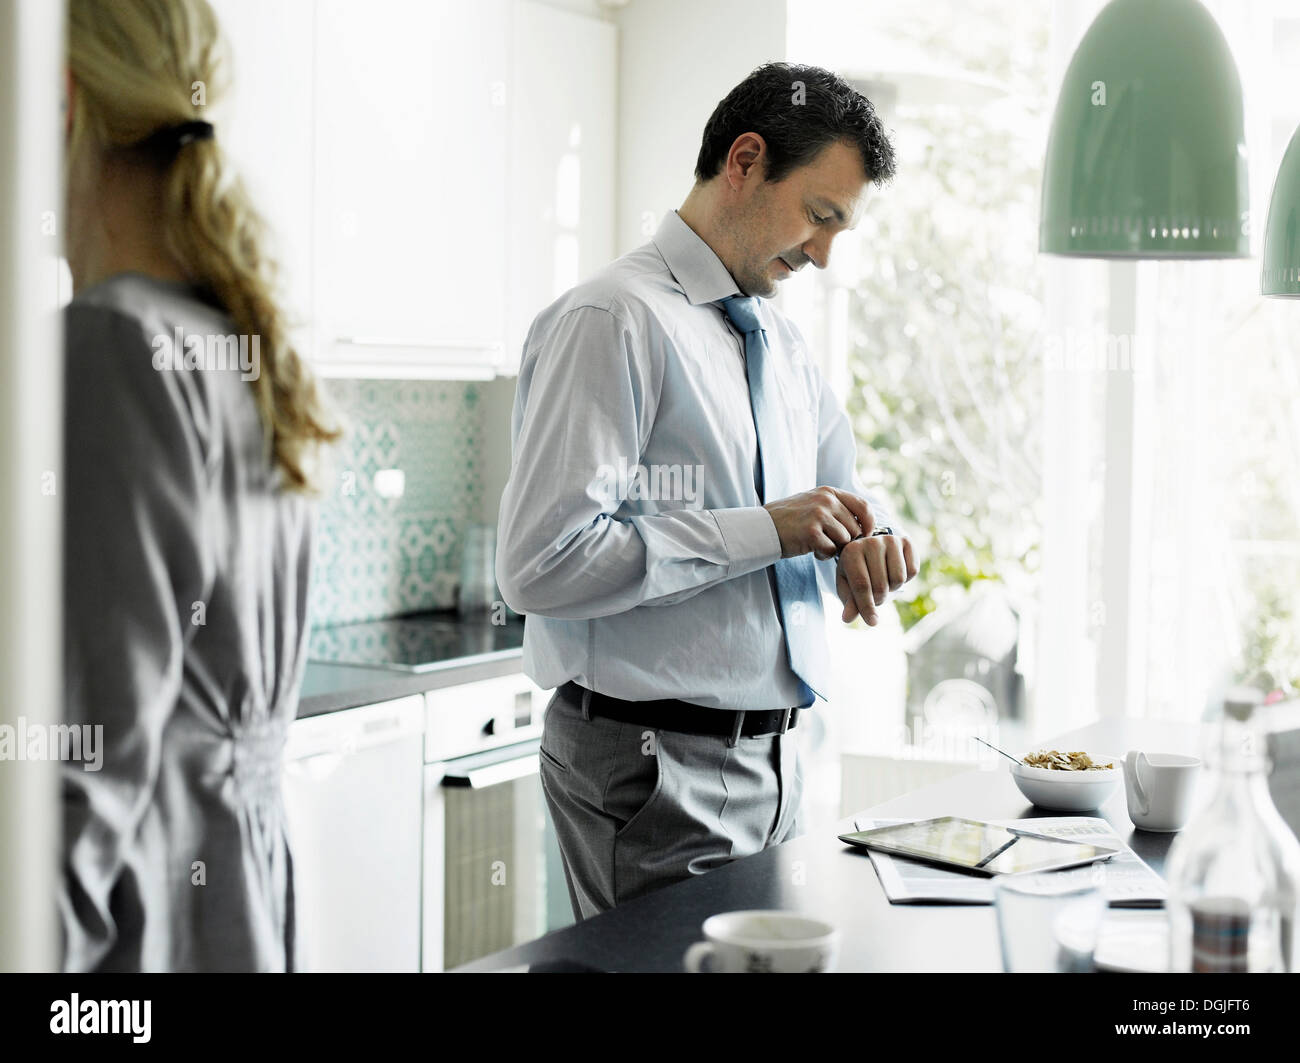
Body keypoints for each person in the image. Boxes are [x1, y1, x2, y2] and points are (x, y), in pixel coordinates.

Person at [497, 61, 919, 920]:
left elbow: (842, 502)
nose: (825, 253)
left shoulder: (782, 345)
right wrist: (763, 530)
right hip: (653, 768)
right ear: (746, 160)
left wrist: (870, 545)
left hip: (780, 765)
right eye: (820, 214)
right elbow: (538, 567)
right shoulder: (613, 321)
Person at [59, 0, 339, 971]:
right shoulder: (244, 345)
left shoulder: (111, 342)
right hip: (240, 886)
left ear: (59, 101)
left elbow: (88, 752)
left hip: (142, 915)